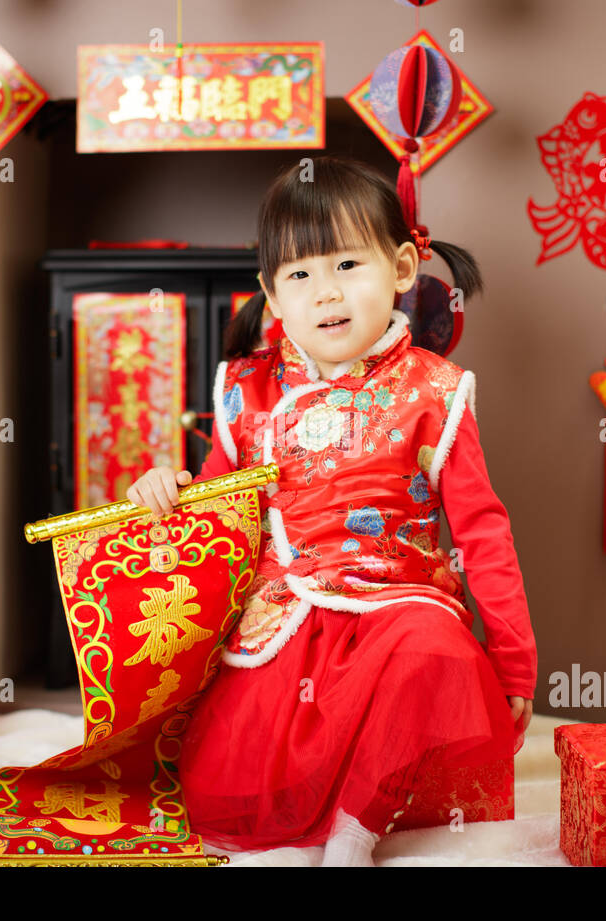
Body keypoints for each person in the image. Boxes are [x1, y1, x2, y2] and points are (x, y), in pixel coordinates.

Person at [126, 156, 537, 866]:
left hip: (398, 603)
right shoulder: (245, 392)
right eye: (300, 276)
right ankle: (314, 801)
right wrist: (169, 489)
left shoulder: (435, 391)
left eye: (348, 265)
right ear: (271, 295)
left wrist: (515, 666)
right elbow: (216, 512)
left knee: (429, 650)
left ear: (402, 267)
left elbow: (483, 532)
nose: (326, 294)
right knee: (243, 742)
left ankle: (358, 825)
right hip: (284, 611)